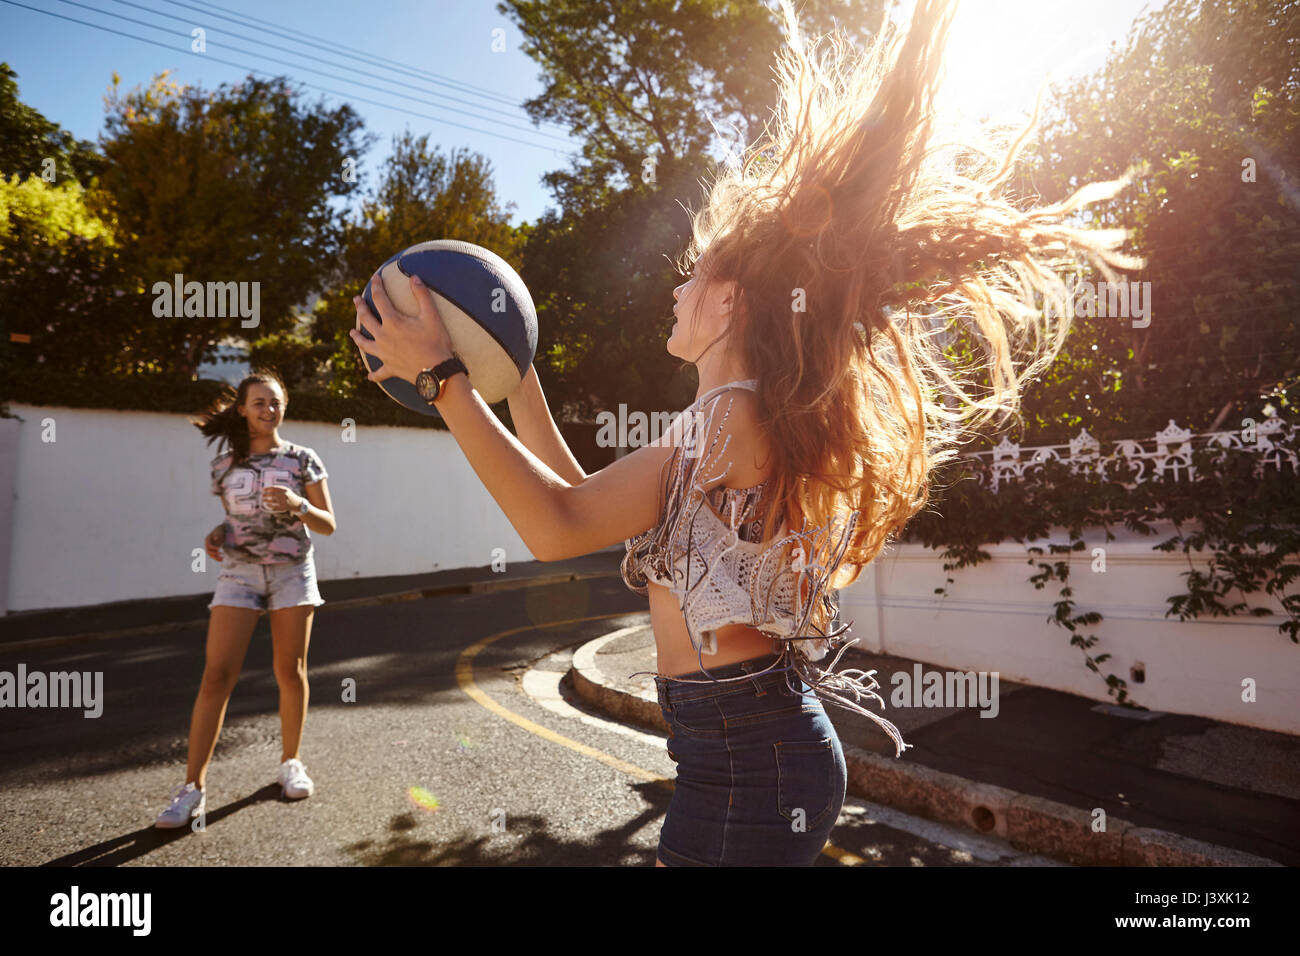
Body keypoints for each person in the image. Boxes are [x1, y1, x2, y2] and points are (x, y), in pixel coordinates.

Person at [348, 0, 1138, 865]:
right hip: (747, 748)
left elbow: (556, 524)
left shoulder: (735, 417)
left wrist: (442, 381)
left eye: (693, 277)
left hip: (748, 755)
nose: (676, 291)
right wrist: (514, 370)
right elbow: (583, 501)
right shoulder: (732, 417)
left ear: (730, 302)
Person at [154, 371, 337, 828]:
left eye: (274, 402)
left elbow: (329, 523)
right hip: (238, 574)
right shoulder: (224, 465)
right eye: (258, 403)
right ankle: (191, 789)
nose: (268, 410)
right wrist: (218, 532)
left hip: (293, 572)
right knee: (216, 675)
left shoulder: (303, 459)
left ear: (284, 406)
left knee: (289, 671)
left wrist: (298, 503)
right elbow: (235, 522)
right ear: (242, 408)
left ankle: (290, 763)